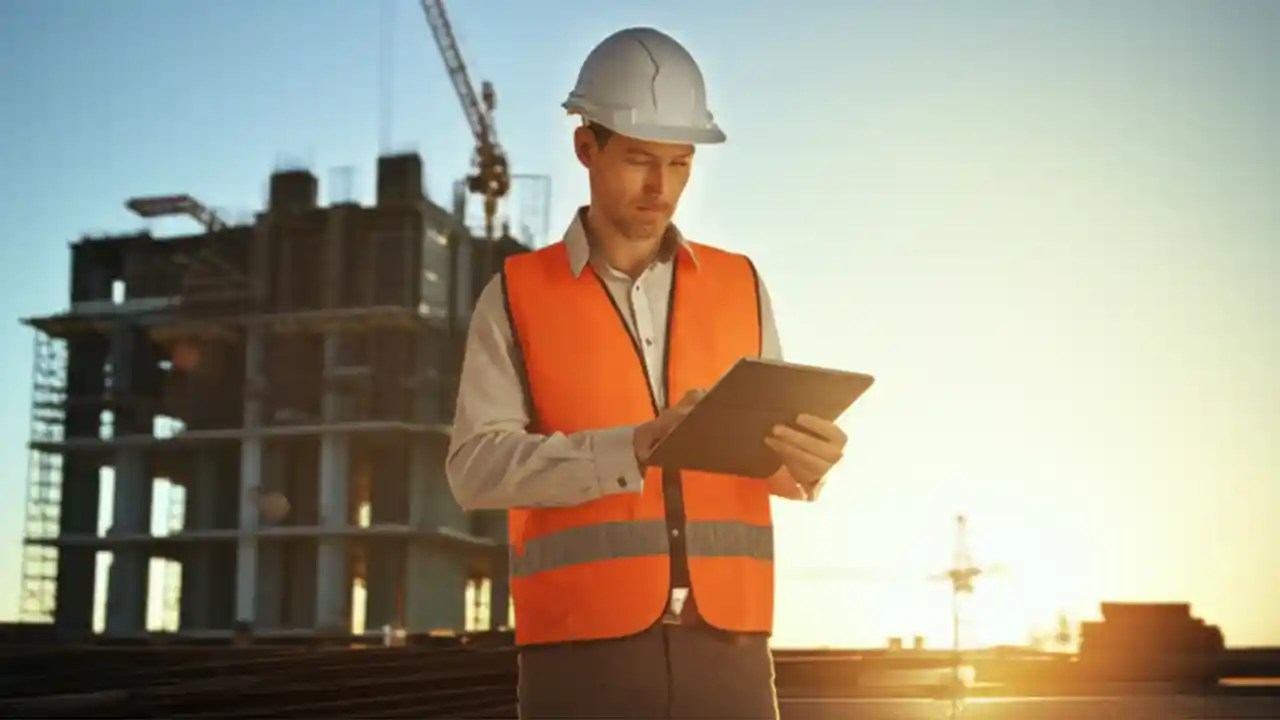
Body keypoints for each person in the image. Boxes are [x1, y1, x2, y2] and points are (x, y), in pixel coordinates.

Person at [446, 26, 851, 719]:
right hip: (578, 655)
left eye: (681, 163)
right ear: (586, 147)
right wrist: (631, 446)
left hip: (731, 650)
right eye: (638, 159)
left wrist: (808, 462)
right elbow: (473, 470)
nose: (661, 187)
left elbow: (766, 461)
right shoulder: (516, 293)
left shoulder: (740, 283)